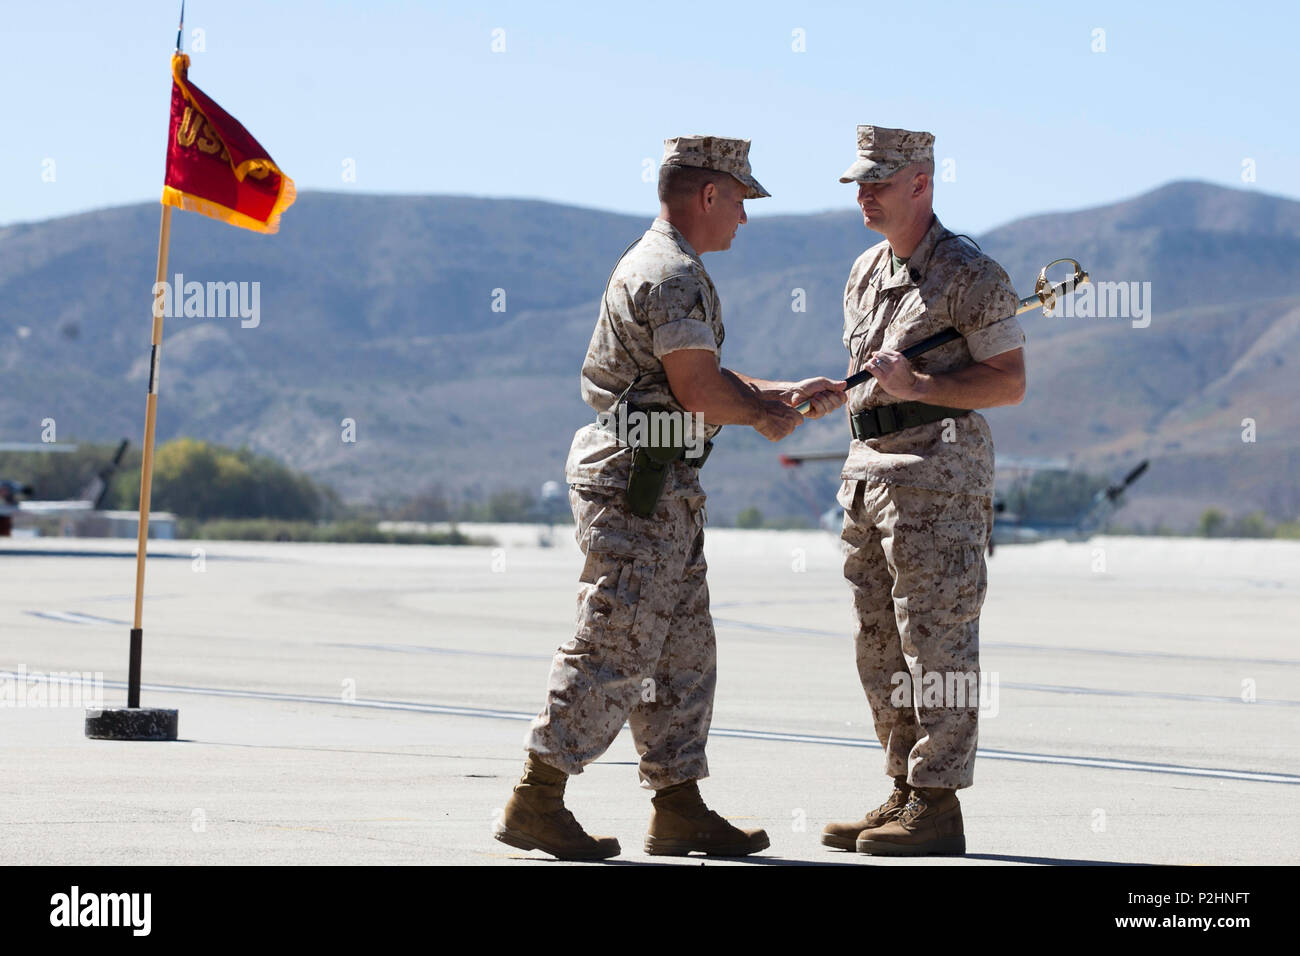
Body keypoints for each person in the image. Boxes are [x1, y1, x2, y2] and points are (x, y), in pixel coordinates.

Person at [494, 134, 846, 860]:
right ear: (709, 195)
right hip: (639, 482)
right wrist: (762, 414)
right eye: (741, 202)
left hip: (660, 479)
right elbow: (696, 389)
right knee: (617, 638)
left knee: (683, 648)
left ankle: (678, 805)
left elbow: (691, 371)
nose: (745, 219)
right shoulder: (672, 274)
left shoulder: (667, 265)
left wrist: (775, 392)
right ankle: (537, 795)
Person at [820, 126, 1027, 856]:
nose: (864, 195)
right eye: (858, 184)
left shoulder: (972, 275)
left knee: (938, 644)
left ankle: (938, 803)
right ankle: (905, 789)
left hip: (938, 479)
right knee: (880, 646)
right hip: (869, 473)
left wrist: (924, 385)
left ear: (922, 183)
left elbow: (1008, 382)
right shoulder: (864, 271)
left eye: (877, 182)